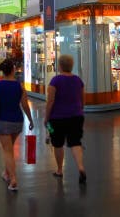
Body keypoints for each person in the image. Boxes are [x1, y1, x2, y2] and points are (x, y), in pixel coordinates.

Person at [0, 58, 34, 192]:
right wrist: (30, 120)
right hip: (17, 121)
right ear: (13, 70)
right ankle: (6, 173)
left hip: (2, 121)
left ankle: (13, 179)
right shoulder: (20, 86)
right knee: (9, 148)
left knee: (7, 151)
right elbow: (25, 105)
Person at [44, 54, 86, 184]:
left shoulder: (55, 81)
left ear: (60, 66)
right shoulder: (78, 80)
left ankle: (59, 170)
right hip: (76, 116)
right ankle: (81, 167)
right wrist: (79, 111)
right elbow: (82, 100)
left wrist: (46, 118)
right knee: (75, 142)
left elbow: (50, 101)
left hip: (58, 118)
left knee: (58, 143)